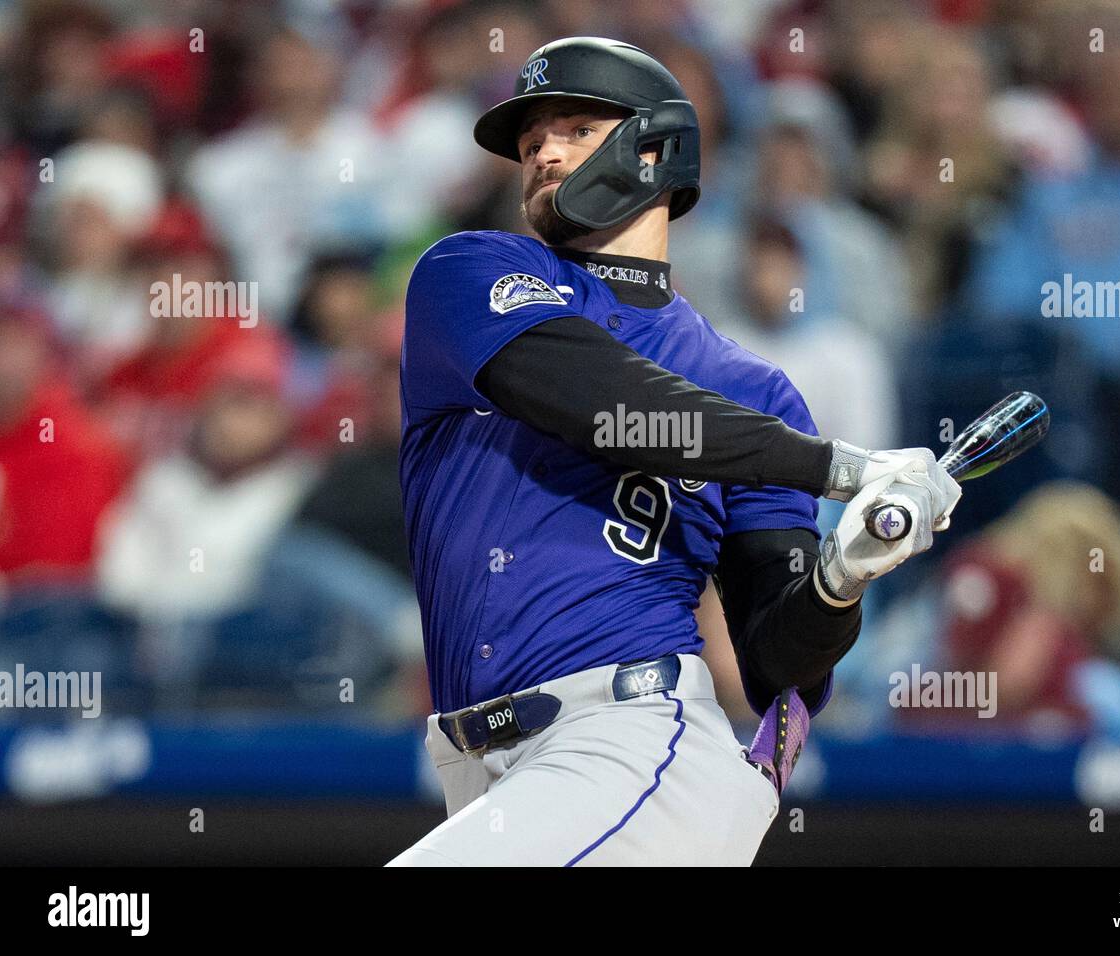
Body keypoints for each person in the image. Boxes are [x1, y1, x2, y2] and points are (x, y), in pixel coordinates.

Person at [387, 37, 960, 868]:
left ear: (656, 149)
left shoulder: (751, 389)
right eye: (529, 141)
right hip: (485, 773)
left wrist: (842, 576)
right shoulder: (469, 272)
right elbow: (612, 409)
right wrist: (841, 468)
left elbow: (776, 664)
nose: (542, 151)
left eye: (575, 128)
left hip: (632, 744)